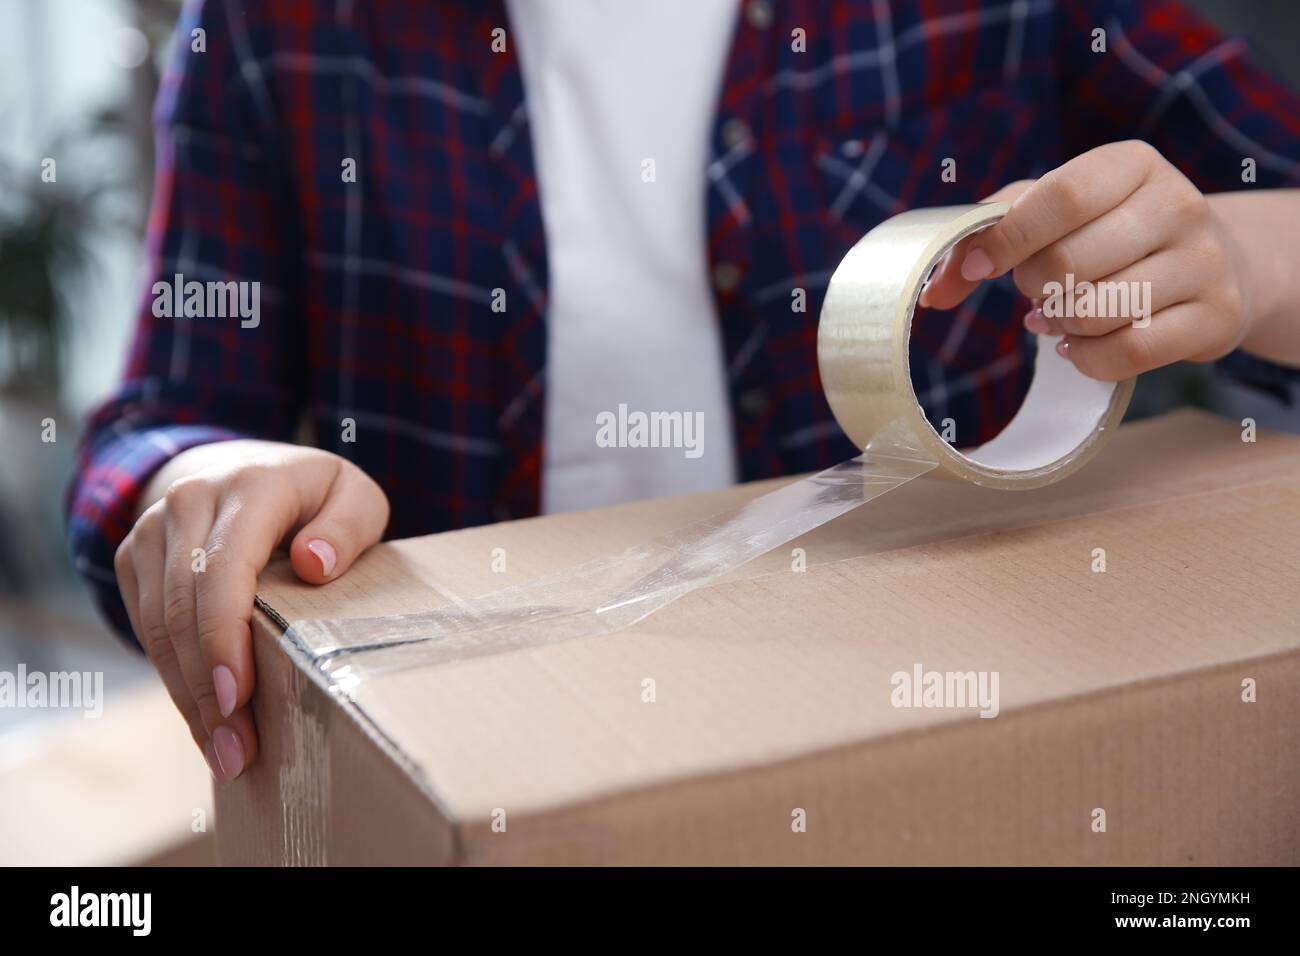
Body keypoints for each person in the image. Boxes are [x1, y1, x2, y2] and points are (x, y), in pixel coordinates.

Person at [67, 0, 1300, 782]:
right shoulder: (272, 28)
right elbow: (153, 424)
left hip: (938, 741)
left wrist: (1237, 260)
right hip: (478, 759)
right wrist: (199, 480)